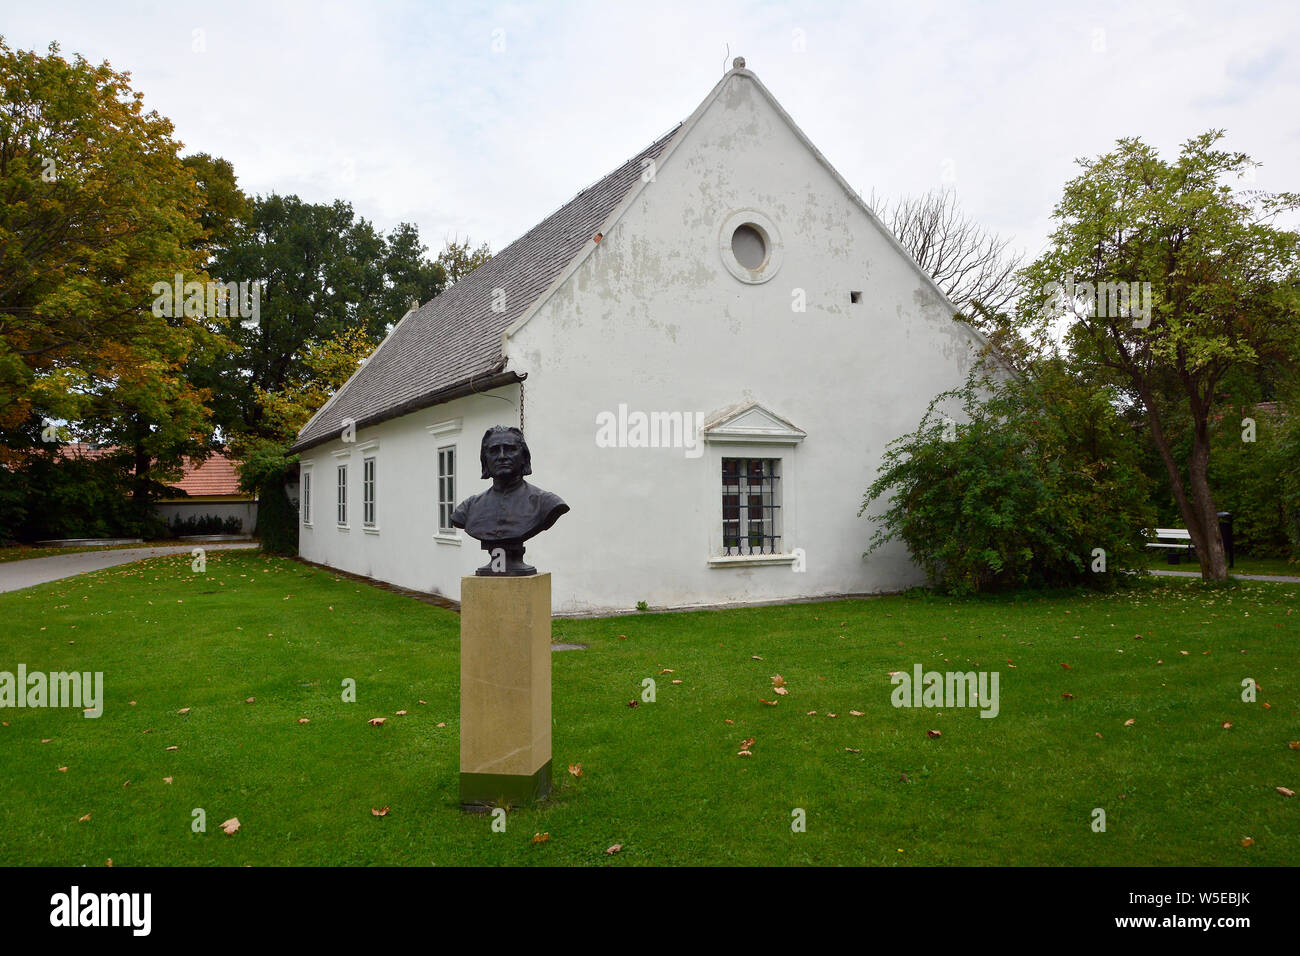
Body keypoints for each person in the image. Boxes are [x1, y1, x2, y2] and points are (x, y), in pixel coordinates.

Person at [450, 426, 569, 575]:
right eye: (494, 451)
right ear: (485, 459)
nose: (502, 456)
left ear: (524, 457)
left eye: (510, 449)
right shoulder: (468, 508)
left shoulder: (546, 503)